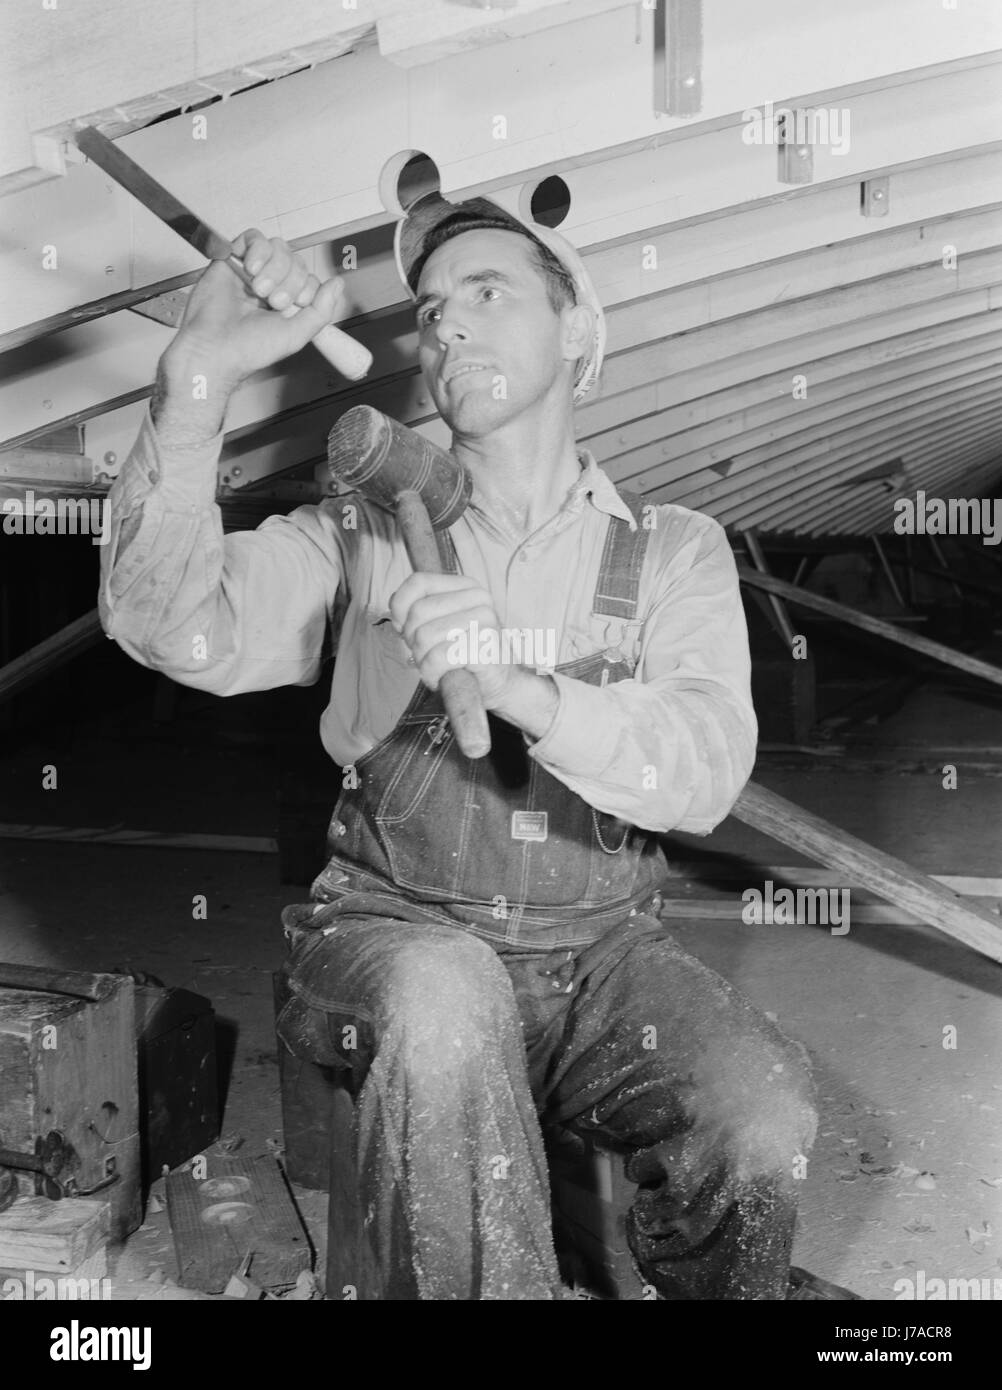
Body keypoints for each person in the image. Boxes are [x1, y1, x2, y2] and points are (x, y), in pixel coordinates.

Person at [99, 191, 859, 1301]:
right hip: (392, 936)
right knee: (449, 1000)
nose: (446, 323)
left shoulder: (669, 552)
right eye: (432, 309)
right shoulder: (361, 532)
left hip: (599, 957)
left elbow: (702, 764)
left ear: (576, 332)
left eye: (488, 291)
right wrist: (196, 375)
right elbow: (167, 622)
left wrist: (520, 684)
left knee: (759, 1097)